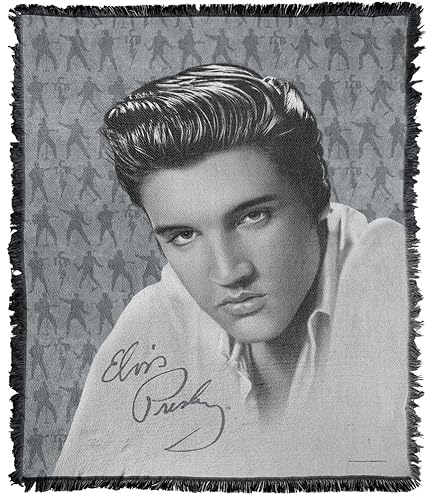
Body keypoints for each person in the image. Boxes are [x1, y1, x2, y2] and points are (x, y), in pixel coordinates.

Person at [53, 64, 410, 478]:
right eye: (183, 235)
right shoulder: (157, 320)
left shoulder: (402, 287)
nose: (228, 272)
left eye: (253, 216)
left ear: (316, 196)